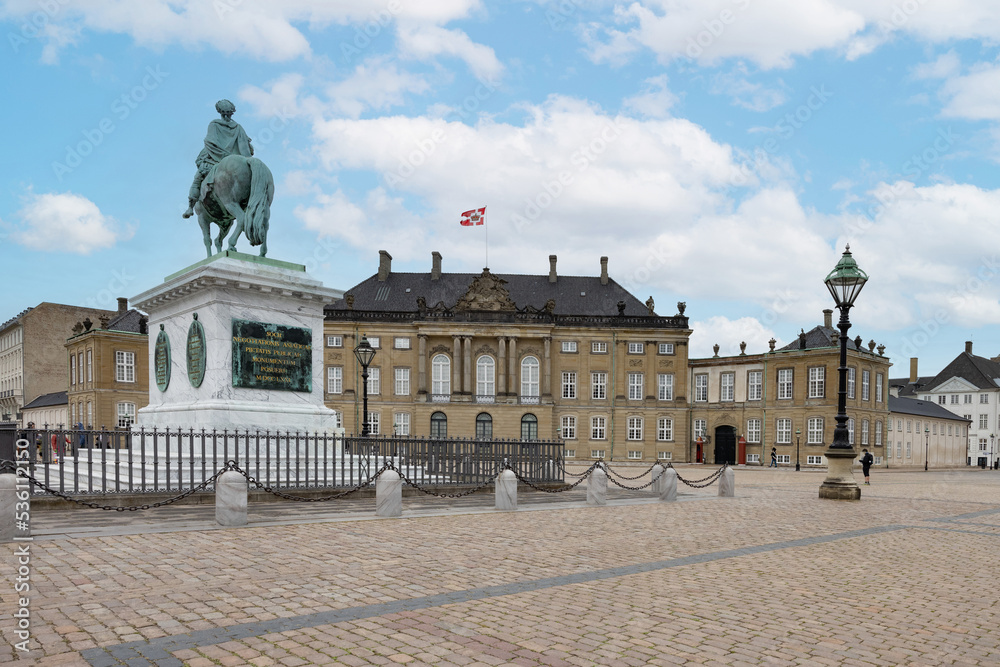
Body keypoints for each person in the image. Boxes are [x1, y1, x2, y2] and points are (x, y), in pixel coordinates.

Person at [182, 99, 254, 219]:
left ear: (219, 112)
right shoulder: (238, 127)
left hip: (216, 159)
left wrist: (224, 156)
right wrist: (247, 162)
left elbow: (211, 143)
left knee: (198, 178)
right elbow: (245, 149)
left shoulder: (214, 124)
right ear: (232, 112)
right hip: (237, 159)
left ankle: (190, 207)